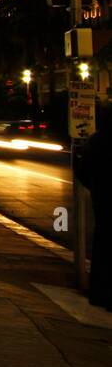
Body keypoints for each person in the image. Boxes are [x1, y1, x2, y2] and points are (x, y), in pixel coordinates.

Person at [74, 108, 110, 310]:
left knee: (102, 245)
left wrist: (96, 187)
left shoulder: (97, 141)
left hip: (103, 199)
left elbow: (82, 170)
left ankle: (100, 292)